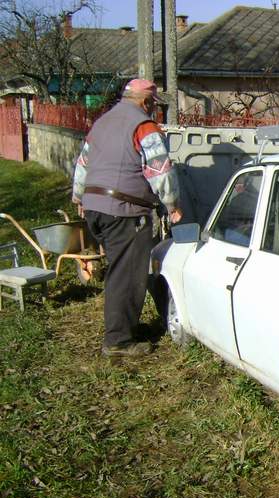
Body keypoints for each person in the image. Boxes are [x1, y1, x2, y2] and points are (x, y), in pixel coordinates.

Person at [72, 78, 183, 357]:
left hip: (95, 207)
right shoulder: (144, 126)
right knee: (127, 275)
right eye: (153, 106)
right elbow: (160, 169)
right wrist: (173, 205)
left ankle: (120, 328)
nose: (153, 111)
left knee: (117, 270)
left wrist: (78, 197)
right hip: (125, 211)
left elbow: (83, 163)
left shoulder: (102, 123)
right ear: (146, 102)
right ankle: (119, 341)